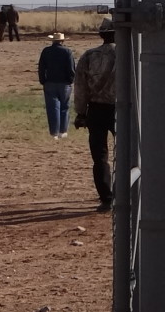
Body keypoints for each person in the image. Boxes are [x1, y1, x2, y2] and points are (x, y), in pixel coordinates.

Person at [74, 18, 116, 211]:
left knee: (100, 157)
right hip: (123, 110)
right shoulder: (131, 54)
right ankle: (126, 193)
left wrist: (81, 113)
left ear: (102, 35)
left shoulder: (89, 56)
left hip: (96, 110)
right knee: (128, 154)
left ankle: (106, 198)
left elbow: (81, 88)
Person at [38, 31, 76, 139]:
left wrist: (43, 81)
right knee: (65, 106)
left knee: (52, 107)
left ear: (53, 41)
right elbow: (71, 68)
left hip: (50, 82)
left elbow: (41, 67)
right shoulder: (67, 51)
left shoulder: (46, 51)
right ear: (62, 41)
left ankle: (54, 132)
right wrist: (71, 80)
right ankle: (63, 131)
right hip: (64, 83)